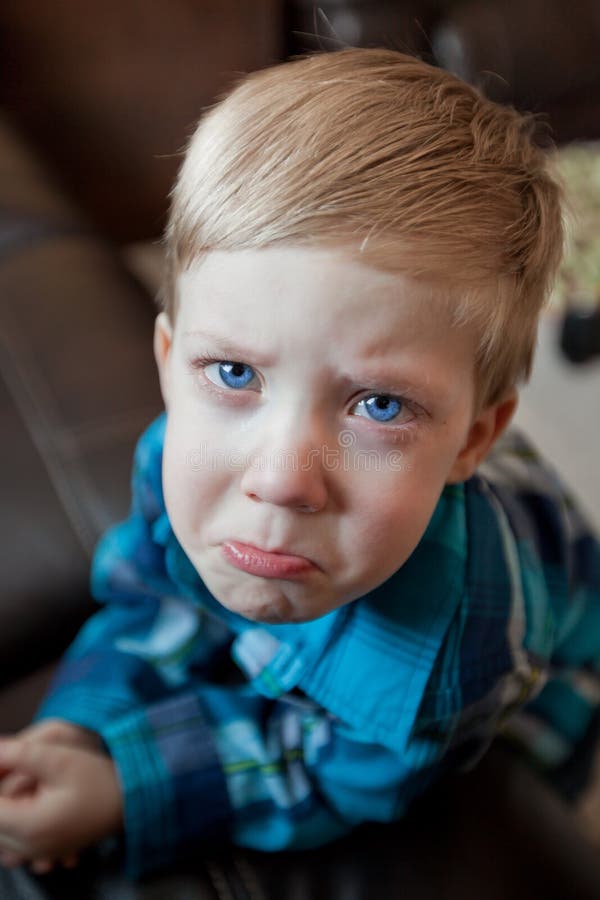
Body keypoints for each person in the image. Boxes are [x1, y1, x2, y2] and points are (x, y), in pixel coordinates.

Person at [0, 47, 598, 880]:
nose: (280, 477)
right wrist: (85, 722)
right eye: (235, 373)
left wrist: (129, 788)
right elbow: (153, 594)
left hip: (541, 640)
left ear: (471, 440)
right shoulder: (175, 455)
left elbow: (325, 775)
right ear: (171, 363)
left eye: (380, 404)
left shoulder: (444, 653)